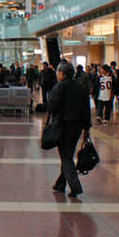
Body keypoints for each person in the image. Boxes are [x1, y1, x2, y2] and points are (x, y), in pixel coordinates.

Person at [45, 61, 91, 197]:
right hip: (76, 127)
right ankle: (60, 184)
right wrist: (87, 127)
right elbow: (86, 109)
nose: (57, 75)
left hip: (63, 126)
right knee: (68, 154)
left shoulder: (59, 87)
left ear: (62, 74)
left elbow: (52, 107)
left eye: (58, 72)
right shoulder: (80, 88)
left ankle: (75, 186)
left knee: (66, 156)